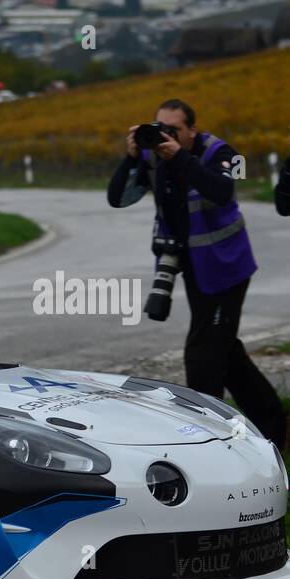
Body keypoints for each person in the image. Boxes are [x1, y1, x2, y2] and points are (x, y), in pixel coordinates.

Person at [107, 98, 285, 448]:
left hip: (225, 265)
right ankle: (274, 425)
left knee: (203, 354)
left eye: (173, 130)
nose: (165, 135)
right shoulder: (152, 155)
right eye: (160, 127)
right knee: (224, 349)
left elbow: (223, 191)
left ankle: (211, 438)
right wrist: (130, 158)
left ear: (192, 130)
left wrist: (182, 159)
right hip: (189, 266)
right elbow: (118, 198)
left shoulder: (221, 152)